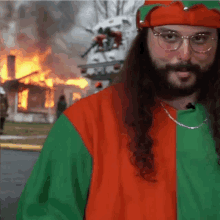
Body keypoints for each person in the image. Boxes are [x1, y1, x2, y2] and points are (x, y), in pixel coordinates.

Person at [17, 1, 220, 219]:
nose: (185, 54)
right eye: (169, 37)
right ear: (144, 39)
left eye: (200, 39)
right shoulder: (85, 124)